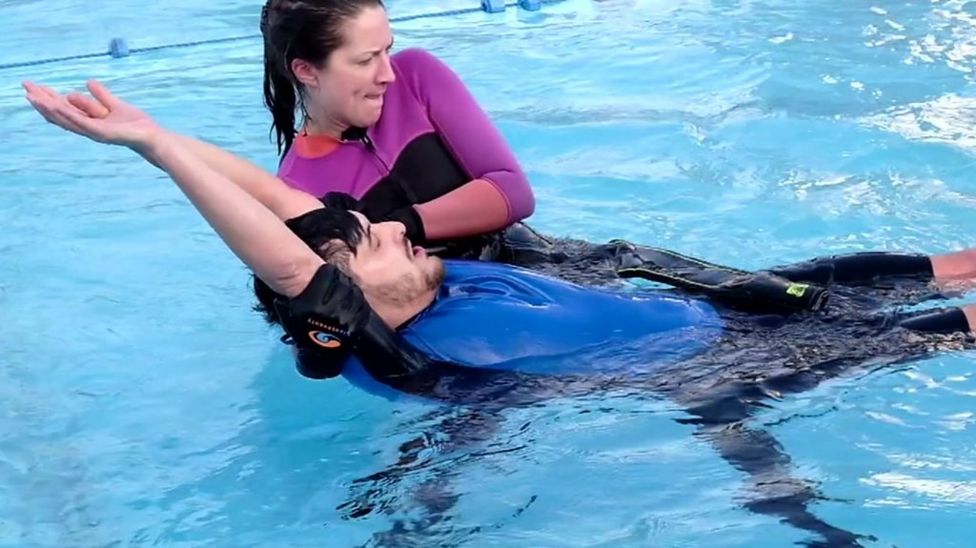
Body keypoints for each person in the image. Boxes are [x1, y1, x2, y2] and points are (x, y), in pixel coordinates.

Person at [25, 79, 976, 548]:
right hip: (705, 370)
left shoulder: (433, 281)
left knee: (843, 269)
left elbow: (284, 208)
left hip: (698, 318)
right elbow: (276, 249)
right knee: (911, 334)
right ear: (348, 300)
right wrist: (152, 152)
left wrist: (160, 129)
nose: (392, 232)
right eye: (373, 245)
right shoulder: (393, 343)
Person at [258, 0, 538, 256]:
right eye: (366, 60)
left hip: (539, 261)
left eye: (387, 51)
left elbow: (515, 193)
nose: (388, 74)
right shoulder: (297, 188)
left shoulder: (415, 78)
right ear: (306, 71)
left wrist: (402, 225)